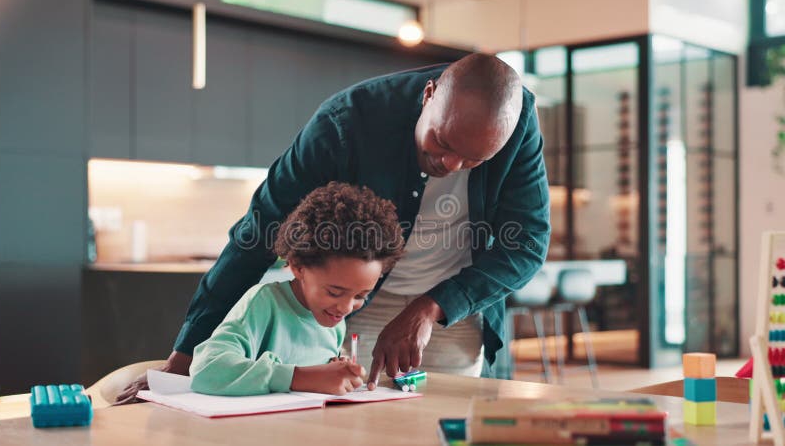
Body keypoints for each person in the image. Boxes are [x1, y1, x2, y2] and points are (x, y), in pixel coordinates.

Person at [116, 52, 550, 404]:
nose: (452, 165)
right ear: (429, 95)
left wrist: (431, 307)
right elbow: (259, 231)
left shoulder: (517, 124)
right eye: (442, 142)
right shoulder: (346, 123)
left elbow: (527, 245)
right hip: (360, 302)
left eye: (473, 160)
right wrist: (185, 354)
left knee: (441, 418)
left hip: (451, 306)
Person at [190, 182, 404, 396]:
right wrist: (299, 378)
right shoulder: (264, 304)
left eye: (360, 296)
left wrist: (334, 368)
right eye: (334, 292)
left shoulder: (334, 323)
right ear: (298, 266)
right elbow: (205, 370)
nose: (346, 307)